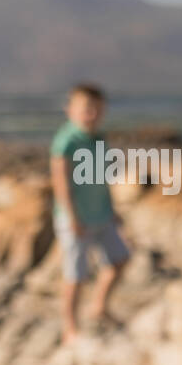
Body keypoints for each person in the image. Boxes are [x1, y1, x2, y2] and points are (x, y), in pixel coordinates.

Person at [49, 83, 130, 345]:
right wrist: (72, 218)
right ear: (69, 110)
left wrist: (113, 209)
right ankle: (69, 329)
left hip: (102, 215)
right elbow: (60, 182)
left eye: (97, 108)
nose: (92, 114)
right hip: (75, 219)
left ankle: (99, 307)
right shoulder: (66, 140)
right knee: (75, 275)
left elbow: (101, 177)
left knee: (119, 260)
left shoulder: (99, 138)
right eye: (86, 108)